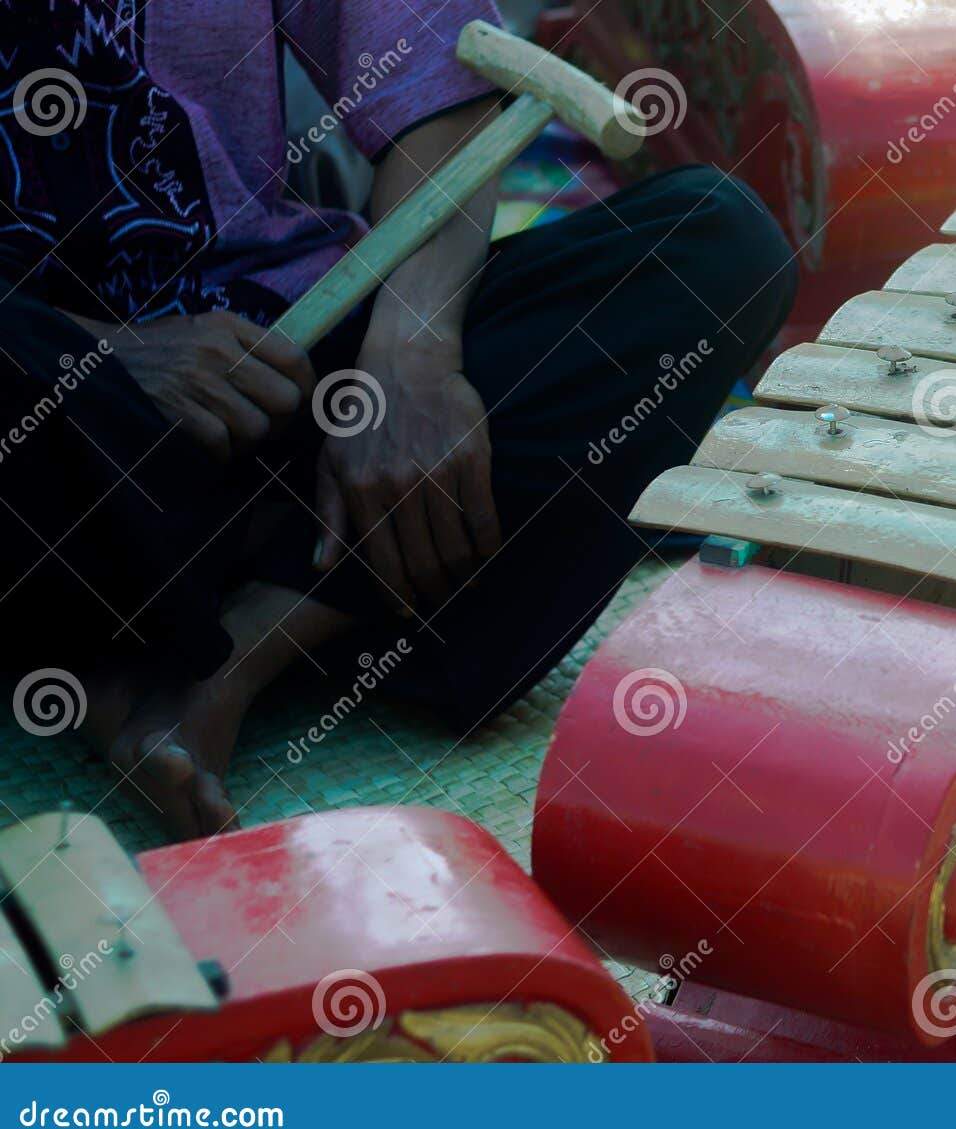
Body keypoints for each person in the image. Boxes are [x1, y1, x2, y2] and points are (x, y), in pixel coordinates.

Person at [0, 2, 796, 838]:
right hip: (52, 434)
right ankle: (209, 624)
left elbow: (438, 87)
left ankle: (233, 653)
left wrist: (410, 353)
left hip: (288, 366)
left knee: (718, 244)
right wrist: (106, 354)